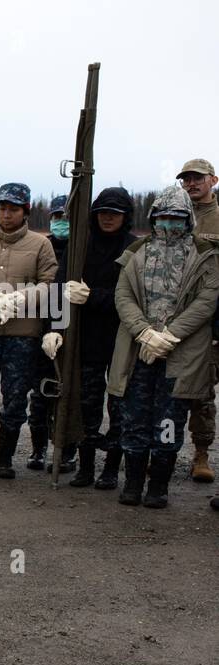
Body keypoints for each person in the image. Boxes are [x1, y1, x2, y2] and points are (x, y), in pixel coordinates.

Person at [107, 186, 219, 508]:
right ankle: (132, 483)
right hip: (138, 353)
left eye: (177, 218)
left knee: (168, 422)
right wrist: (144, 333)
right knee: (135, 419)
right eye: (163, 217)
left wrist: (169, 336)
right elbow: (123, 296)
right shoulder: (137, 253)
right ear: (153, 217)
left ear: (188, 219)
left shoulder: (205, 255)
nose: (169, 223)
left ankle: (158, 485)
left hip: (180, 355)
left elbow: (206, 301)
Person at [42, 186, 137, 489]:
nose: (108, 218)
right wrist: (54, 328)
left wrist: (94, 296)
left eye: (115, 213)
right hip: (84, 341)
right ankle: (85, 467)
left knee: (120, 407)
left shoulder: (134, 250)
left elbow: (134, 299)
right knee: (86, 405)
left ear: (126, 217)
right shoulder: (80, 245)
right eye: (103, 213)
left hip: (121, 341)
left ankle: (110, 468)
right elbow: (59, 288)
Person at [0, 182, 58, 479]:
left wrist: (22, 298)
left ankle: (4, 458)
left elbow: (49, 282)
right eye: (2, 208)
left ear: (25, 211)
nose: (6, 214)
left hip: (22, 334)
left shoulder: (41, 245)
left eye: (13, 209)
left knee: (16, 397)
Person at [177, 159, 219, 481]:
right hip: (177, 315)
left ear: (213, 180)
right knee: (173, 389)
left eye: (197, 178)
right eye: (186, 179)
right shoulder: (176, 216)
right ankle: (165, 450)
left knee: (203, 393)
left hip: (212, 317)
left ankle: (201, 455)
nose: (191, 184)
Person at [27, 193, 74, 472]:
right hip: (41, 330)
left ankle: (67, 449)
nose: (62, 222)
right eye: (58, 217)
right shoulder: (41, 247)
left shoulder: (84, 248)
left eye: (67, 217)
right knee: (41, 393)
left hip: (76, 331)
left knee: (70, 393)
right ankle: (38, 448)